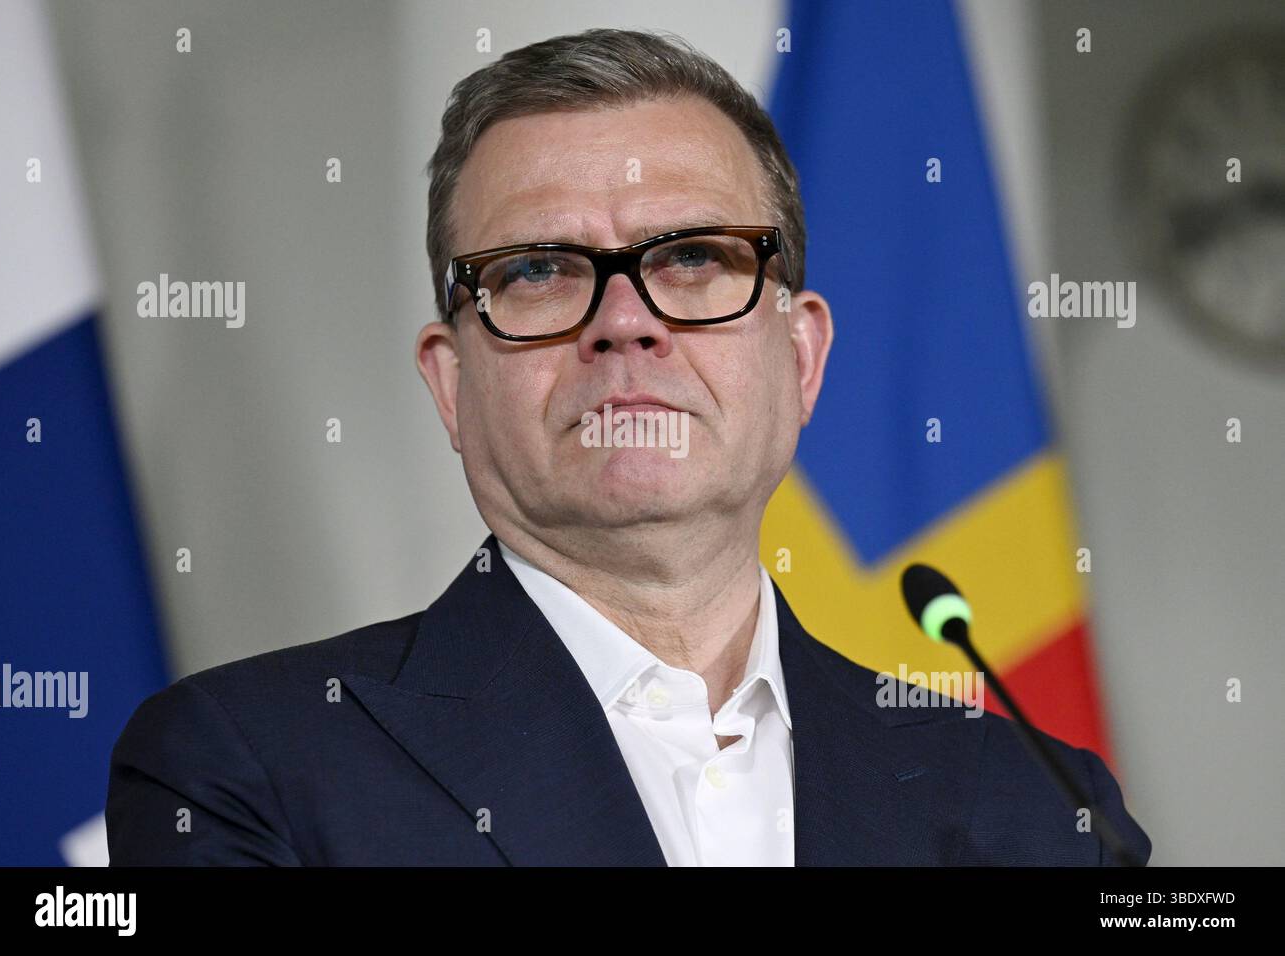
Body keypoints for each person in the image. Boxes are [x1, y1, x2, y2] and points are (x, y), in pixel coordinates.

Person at [107, 27, 1151, 866]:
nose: (623, 321)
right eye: (540, 271)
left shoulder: (1041, 808)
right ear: (451, 380)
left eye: (693, 257)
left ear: (802, 357)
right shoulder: (244, 766)